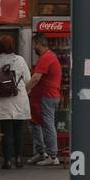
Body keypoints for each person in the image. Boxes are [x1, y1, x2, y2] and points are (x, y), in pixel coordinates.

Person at [0, 34, 31, 170]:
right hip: (19, 99)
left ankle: (8, 161)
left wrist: (0, 84)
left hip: (3, 101)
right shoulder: (20, 60)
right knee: (18, 131)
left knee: (6, 132)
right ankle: (18, 159)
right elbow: (28, 79)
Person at [26, 33, 62, 166]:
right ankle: (41, 152)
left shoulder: (46, 57)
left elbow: (36, 78)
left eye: (34, 44)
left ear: (39, 43)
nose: (33, 47)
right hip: (43, 96)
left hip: (47, 96)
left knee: (47, 124)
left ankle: (52, 156)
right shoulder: (48, 56)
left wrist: (24, 90)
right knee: (35, 123)